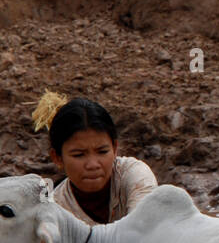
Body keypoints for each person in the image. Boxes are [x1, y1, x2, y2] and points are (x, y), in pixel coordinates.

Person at [31, 90, 158, 225]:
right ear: (57, 157)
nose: (93, 165)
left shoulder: (134, 176)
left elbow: (145, 228)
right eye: (79, 155)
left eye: (102, 151)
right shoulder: (55, 209)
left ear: (114, 148)